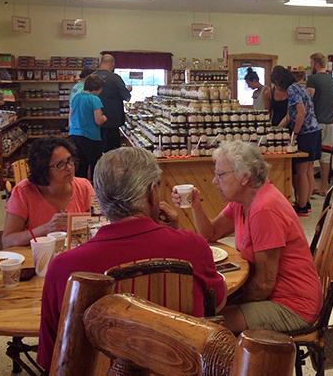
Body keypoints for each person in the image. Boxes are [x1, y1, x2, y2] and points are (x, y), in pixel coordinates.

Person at [37, 147, 225, 371]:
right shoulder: (194, 246)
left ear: (101, 198)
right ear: (151, 194)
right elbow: (215, 303)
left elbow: (50, 355)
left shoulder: (63, 266)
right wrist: (176, 235)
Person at [173, 141, 321, 335]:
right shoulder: (243, 202)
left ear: (244, 177)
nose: (214, 181)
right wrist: (195, 205)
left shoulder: (264, 209)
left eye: (221, 175)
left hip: (292, 305)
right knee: (206, 313)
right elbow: (210, 234)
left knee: (206, 328)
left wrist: (229, 299)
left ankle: (236, 365)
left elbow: (264, 284)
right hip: (275, 296)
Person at [1, 137, 93, 248]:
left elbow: (99, 225)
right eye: (60, 165)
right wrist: (46, 228)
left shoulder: (84, 186)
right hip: (37, 258)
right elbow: (7, 241)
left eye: (69, 160)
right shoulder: (23, 191)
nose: (69, 168)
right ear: (43, 169)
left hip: (76, 256)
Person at [270, 65, 321, 216]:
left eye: (276, 83)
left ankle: (302, 206)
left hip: (307, 132)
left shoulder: (292, 89)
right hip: (312, 131)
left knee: (301, 171)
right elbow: (289, 115)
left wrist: (295, 134)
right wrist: (276, 130)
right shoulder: (297, 87)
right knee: (304, 170)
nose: (276, 87)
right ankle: (304, 201)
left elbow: (300, 113)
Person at [306, 53, 333, 196]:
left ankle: (312, 185)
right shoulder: (332, 81)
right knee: (326, 157)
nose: (310, 66)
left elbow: (308, 98)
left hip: (315, 123)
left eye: (311, 63)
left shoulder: (312, 79)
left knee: (310, 157)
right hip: (329, 123)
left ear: (316, 64)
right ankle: (323, 187)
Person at [68, 74, 107, 180]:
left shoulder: (76, 97)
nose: (101, 91)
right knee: (96, 165)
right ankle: (95, 190)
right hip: (90, 136)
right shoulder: (94, 99)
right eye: (100, 89)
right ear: (96, 88)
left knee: (79, 166)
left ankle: (81, 189)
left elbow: (70, 116)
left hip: (74, 135)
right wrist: (104, 117)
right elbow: (98, 120)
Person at [93, 54, 131, 153]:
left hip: (93, 120)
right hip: (111, 120)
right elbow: (127, 97)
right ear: (112, 65)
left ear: (101, 63)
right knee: (111, 152)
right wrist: (128, 90)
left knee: (96, 151)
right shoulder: (114, 78)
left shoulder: (91, 77)